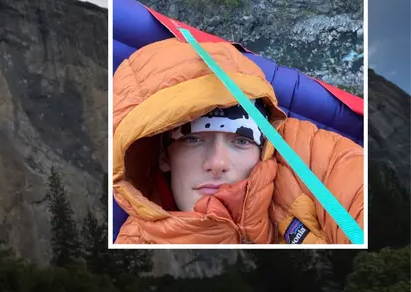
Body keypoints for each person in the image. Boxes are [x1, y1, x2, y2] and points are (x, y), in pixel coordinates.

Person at [111, 38, 364, 244]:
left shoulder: (314, 160)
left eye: (241, 140)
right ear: (164, 155)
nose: (218, 162)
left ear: (263, 146)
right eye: (194, 139)